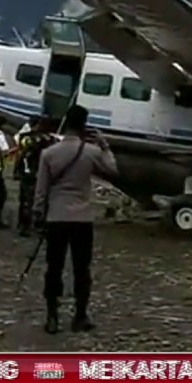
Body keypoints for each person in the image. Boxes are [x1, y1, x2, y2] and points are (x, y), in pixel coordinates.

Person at [33, 105, 117, 334]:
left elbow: (41, 191)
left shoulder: (48, 154)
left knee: (54, 268)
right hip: (82, 218)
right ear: (84, 125)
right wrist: (104, 145)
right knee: (82, 269)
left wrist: (38, 214)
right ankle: (80, 315)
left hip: (56, 217)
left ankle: (52, 316)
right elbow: (112, 170)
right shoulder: (91, 152)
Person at [16, 116, 56, 237]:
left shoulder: (26, 137)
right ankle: (33, 225)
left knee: (26, 200)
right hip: (34, 173)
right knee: (34, 199)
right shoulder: (41, 140)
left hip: (29, 172)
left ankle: (25, 224)